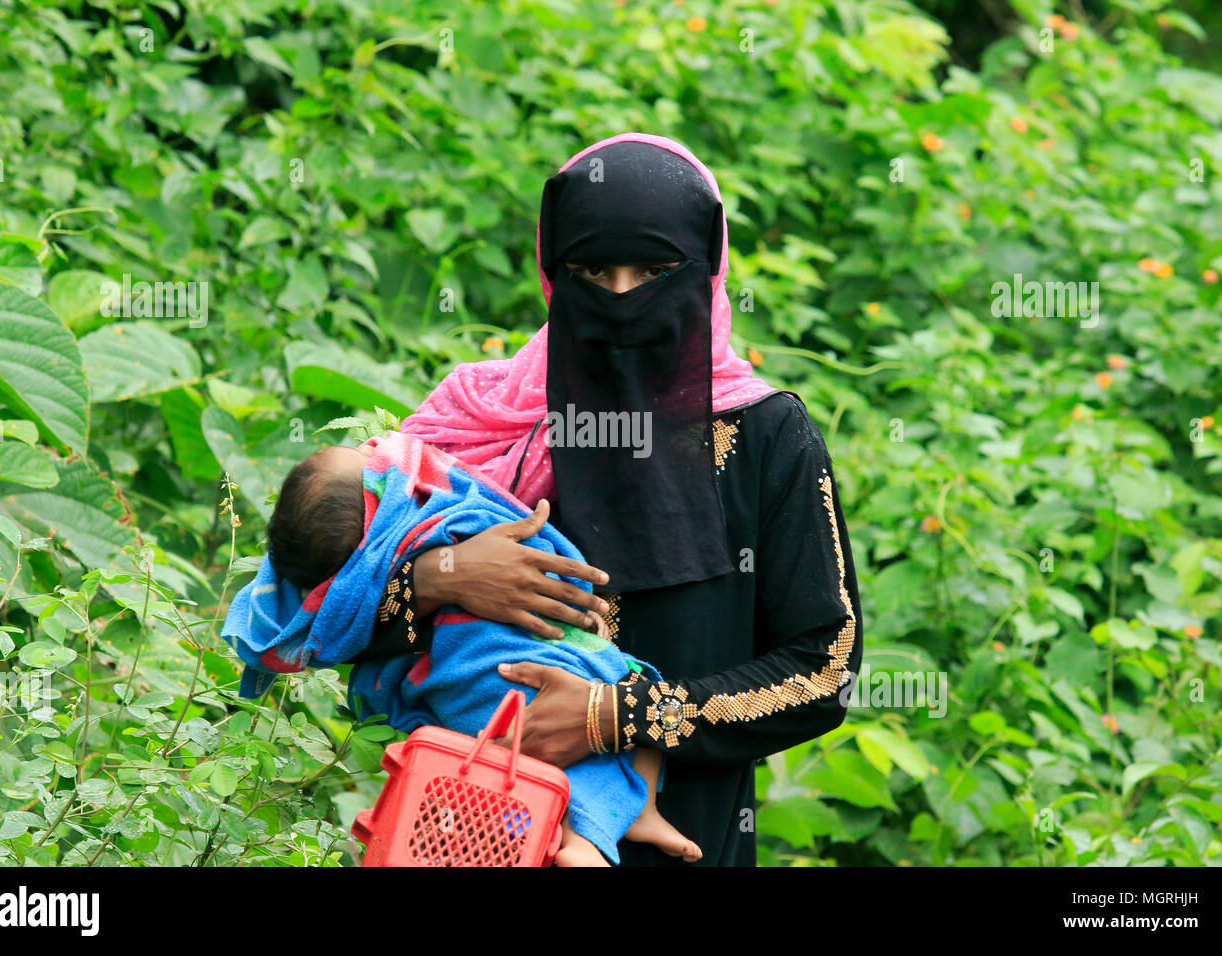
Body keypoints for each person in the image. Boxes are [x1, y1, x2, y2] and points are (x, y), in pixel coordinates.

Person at [359, 132, 865, 866]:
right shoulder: (483, 420)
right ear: (553, 276)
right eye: (594, 270)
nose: (623, 297)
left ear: (707, 272)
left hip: (686, 844)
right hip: (464, 831)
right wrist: (445, 578)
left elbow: (825, 668)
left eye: (654, 270)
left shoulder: (764, 434)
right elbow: (333, 607)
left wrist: (617, 714)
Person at [221, 432, 702, 866]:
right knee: (609, 708)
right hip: (493, 669)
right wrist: (442, 573)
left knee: (612, 710)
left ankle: (635, 810)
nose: (377, 452)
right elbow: (368, 612)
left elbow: (346, 615)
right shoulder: (437, 497)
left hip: (464, 687)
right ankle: (588, 841)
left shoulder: (361, 571)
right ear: (381, 508)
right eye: (370, 464)